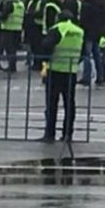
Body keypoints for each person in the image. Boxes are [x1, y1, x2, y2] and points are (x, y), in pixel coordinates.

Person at [39, 10, 84, 142]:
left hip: (55, 69)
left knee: (52, 104)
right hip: (71, 71)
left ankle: (49, 134)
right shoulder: (79, 31)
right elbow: (82, 52)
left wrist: (46, 60)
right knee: (69, 104)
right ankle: (67, 134)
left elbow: (46, 45)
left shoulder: (58, 28)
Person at [0, 0, 24, 73]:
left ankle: (11, 67)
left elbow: (3, 16)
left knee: (9, 49)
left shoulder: (9, 4)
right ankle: (13, 66)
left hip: (8, 29)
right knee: (14, 49)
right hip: (18, 29)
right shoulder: (20, 4)